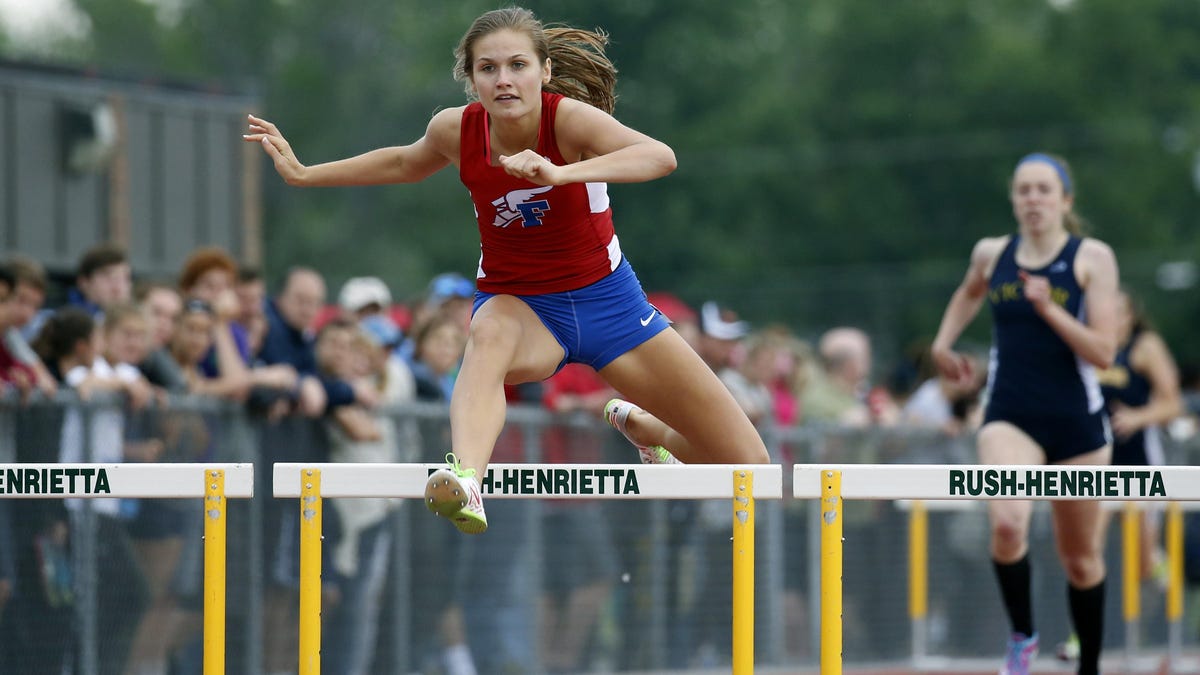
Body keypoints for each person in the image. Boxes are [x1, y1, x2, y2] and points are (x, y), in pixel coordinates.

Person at [246, 6, 769, 534]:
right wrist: (306, 174)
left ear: (543, 71)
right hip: (523, 307)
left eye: (517, 65)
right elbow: (406, 163)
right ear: (470, 80)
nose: (503, 80)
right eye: (488, 68)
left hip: (611, 306)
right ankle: (466, 477)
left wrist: (562, 173)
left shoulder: (566, 120)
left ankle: (639, 423)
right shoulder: (457, 130)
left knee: (751, 467)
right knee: (487, 331)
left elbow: (659, 157)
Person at [930, 152, 1120, 675]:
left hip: (1077, 424)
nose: (1033, 199)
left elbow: (1104, 353)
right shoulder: (994, 254)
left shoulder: (1092, 258)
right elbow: (968, 292)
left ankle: (1091, 665)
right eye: (1023, 190)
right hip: (1010, 414)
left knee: (1080, 558)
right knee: (1009, 524)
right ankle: (1022, 637)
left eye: (1043, 189)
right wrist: (944, 344)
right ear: (1013, 200)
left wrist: (1050, 308)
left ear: (1065, 200)